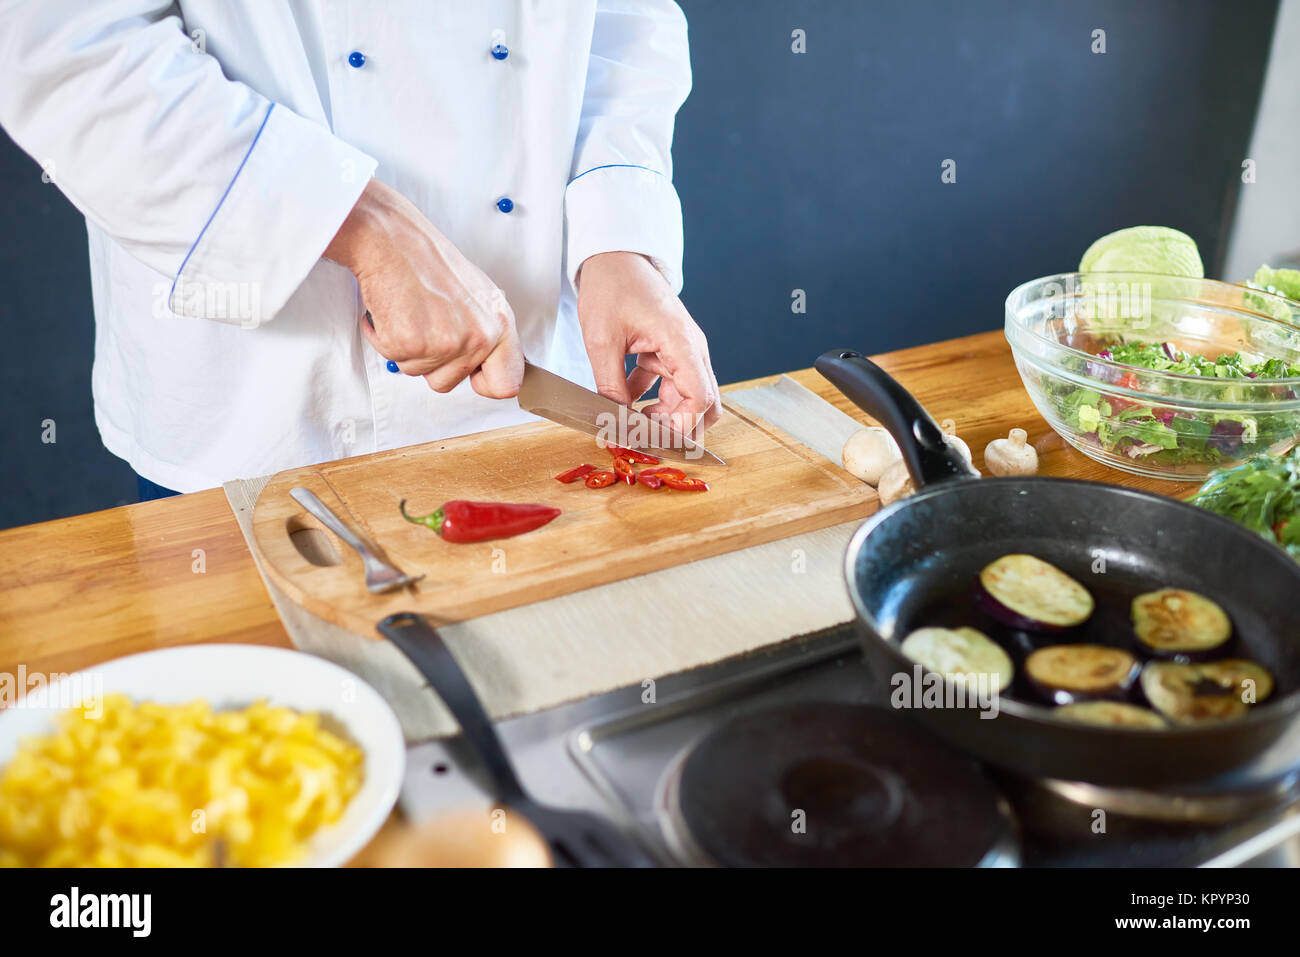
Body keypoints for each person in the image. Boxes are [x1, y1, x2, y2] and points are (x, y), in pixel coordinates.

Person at [0, 1, 720, 498]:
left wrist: (617, 237)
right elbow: (68, 53)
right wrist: (358, 226)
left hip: (540, 387)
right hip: (263, 419)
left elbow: (624, 22)